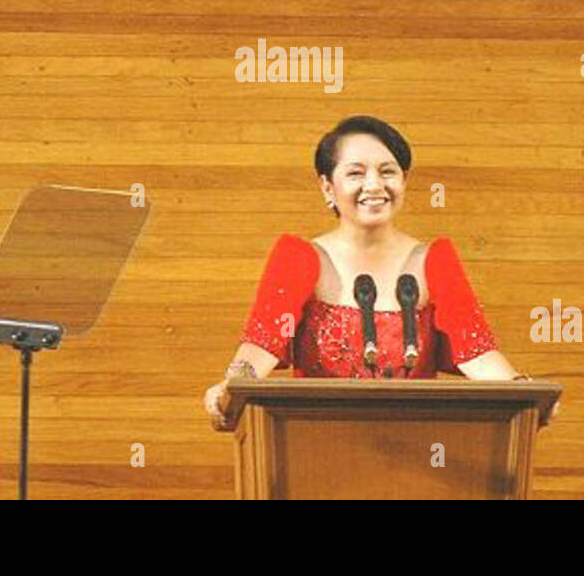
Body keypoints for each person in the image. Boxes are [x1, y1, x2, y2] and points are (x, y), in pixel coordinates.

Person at [204, 115, 548, 431]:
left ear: (404, 181)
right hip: (316, 447)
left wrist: (524, 393)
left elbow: (476, 353)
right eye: (355, 173)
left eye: (387, 171)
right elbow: (260, 348)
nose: (374, 185)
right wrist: (232, 386)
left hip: (419, 450)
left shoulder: (435, 259)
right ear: (327, 187)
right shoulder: (299, 257)